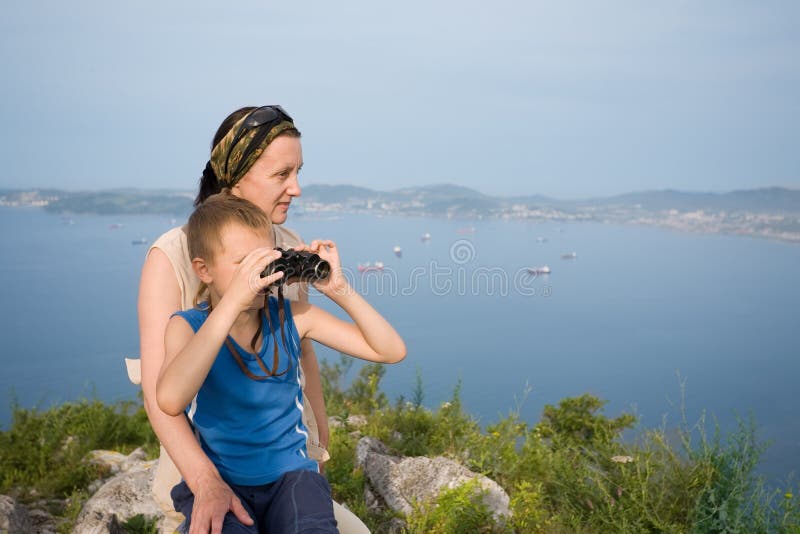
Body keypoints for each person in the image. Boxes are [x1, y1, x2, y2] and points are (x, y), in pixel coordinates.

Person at [137, 105, 370, 532]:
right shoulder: (172, 255)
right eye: (282, 175)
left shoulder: (290, 246)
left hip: (282, 470)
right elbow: (160, 398)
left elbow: (304, 362)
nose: (296, 188)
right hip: (200, 468)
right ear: (235, 175)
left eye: (298, 172)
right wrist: (206, 483)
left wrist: (315, 459)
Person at [156, 193, 405, 532]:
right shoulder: (187, 327)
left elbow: (389, 350)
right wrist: (231, 305)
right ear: (204, 270)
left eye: (267, 261)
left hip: (293, 479)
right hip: (223, 483)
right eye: (245, 263)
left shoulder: (293, 317)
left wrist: (338, 288)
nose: (260, 274)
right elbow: (170, 399)